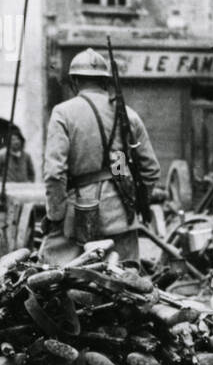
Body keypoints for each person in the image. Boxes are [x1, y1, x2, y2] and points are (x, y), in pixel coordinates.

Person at [41, 48, 160, 266]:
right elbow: (149, 170)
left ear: (75, 81)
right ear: (105, 81)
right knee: (128, 284)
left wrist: (55, 216)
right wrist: (137, 203)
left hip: (77, 219)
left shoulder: (63, 112)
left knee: (54, 283)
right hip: (121, 218)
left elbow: (54, 174)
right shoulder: (129, 114)